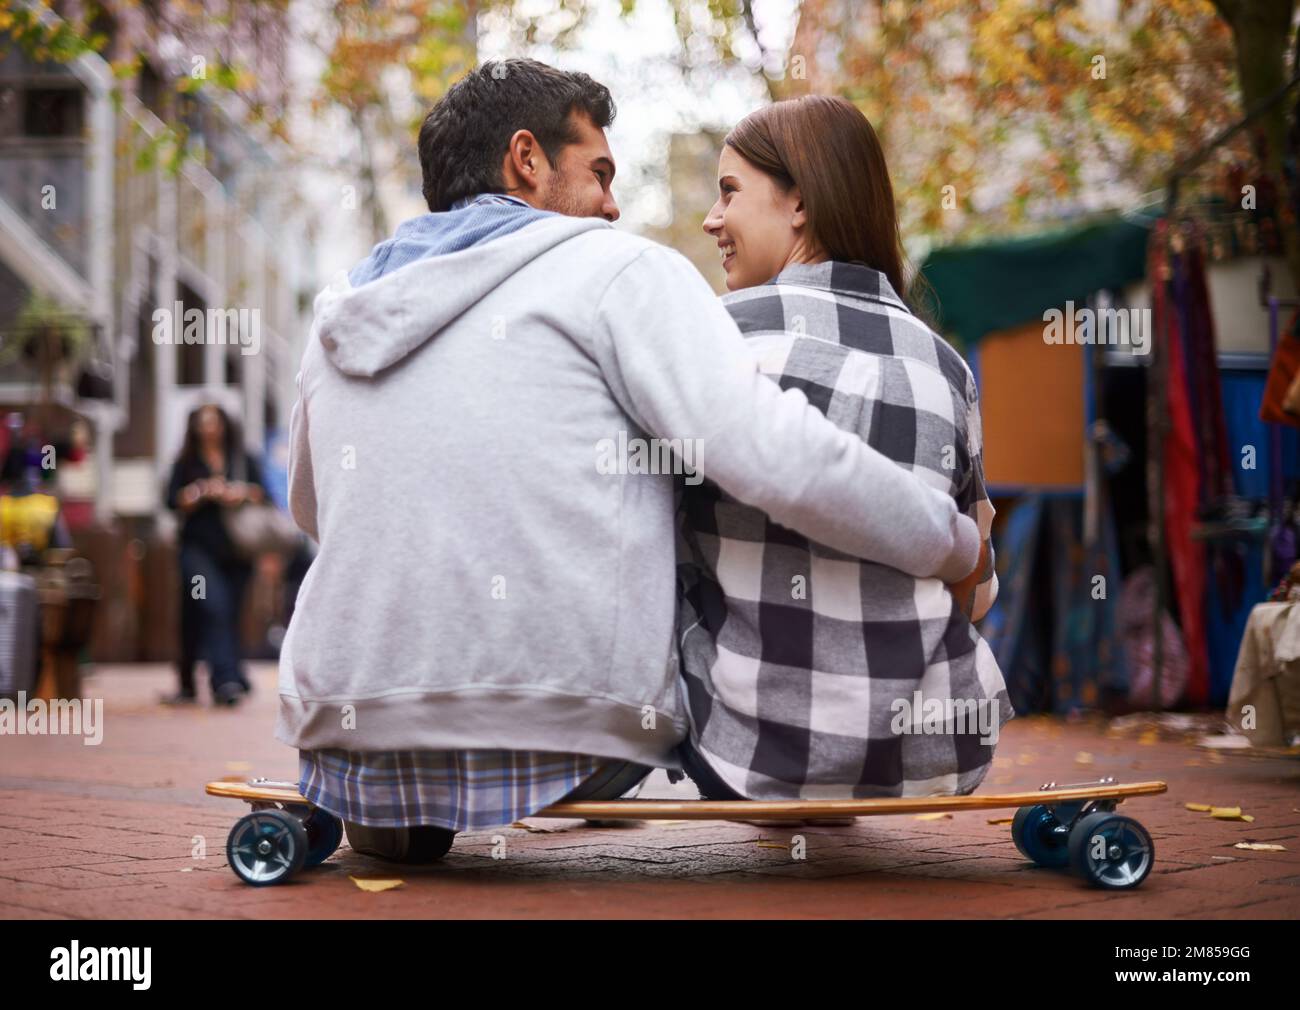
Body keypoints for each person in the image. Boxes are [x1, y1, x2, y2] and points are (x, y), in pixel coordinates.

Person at [279, 59, 982, 865]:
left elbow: (311, 507)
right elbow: (773, 454)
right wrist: (953, 543)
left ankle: (406, 792)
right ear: (527, 159)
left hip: (345, 727)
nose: (613, 206)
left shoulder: (341, 311)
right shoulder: (621, 270)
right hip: (570, 733)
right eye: (601, 173)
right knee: (684, 487)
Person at [674, 95, 1011, 806]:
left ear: (799, 202)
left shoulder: (710, 336)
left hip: (740, 750)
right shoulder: (948, 367)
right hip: (928, 751)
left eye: (729, 191)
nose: (711, 219)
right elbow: (978, 591)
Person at [164, 403, 266, 707]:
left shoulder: (242, 458)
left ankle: (195, 680)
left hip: (237, 551)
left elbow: (264, 494)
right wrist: (199, 492)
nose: (208, 428)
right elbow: (170, 501)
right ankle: (226, 681)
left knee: (215, 613)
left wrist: (239, 493)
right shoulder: (186, 461)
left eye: (214, 421)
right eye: (202, 422)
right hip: (197, 550)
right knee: (212, 605)